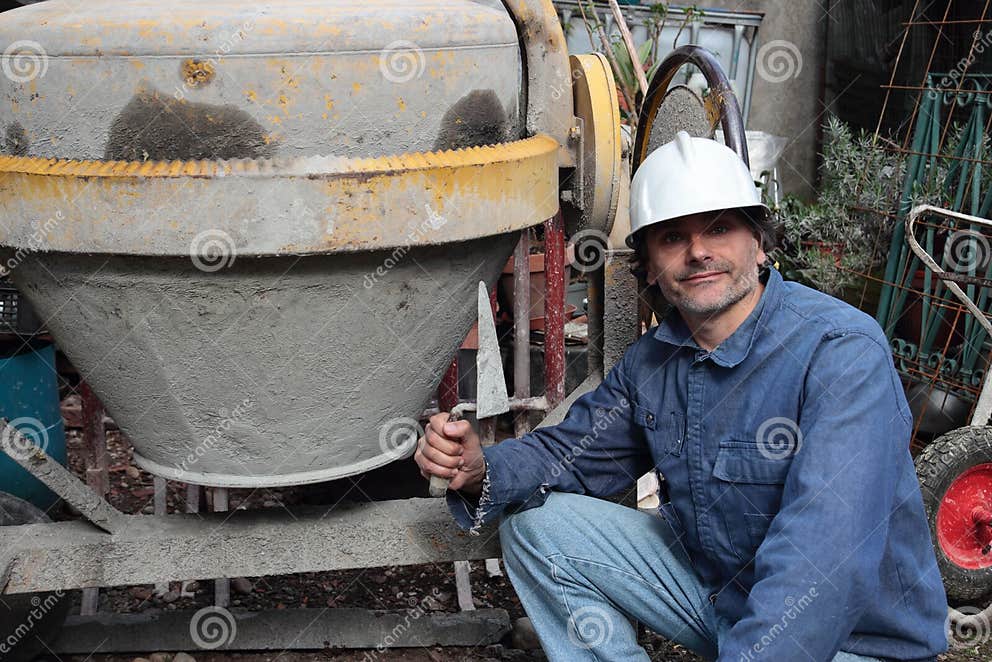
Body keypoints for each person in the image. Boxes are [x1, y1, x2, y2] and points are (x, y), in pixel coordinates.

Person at [415, 131, 948, 661]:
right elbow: (569, 456)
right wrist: (480, 467)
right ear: (647, 264)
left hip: (851, 643)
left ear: (759, 244)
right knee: (538, 530)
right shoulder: (656, 361)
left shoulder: (840, 352)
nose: (698, 253)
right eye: (672, 237)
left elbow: (825, 557)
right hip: (724, 604)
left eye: (719, 228)